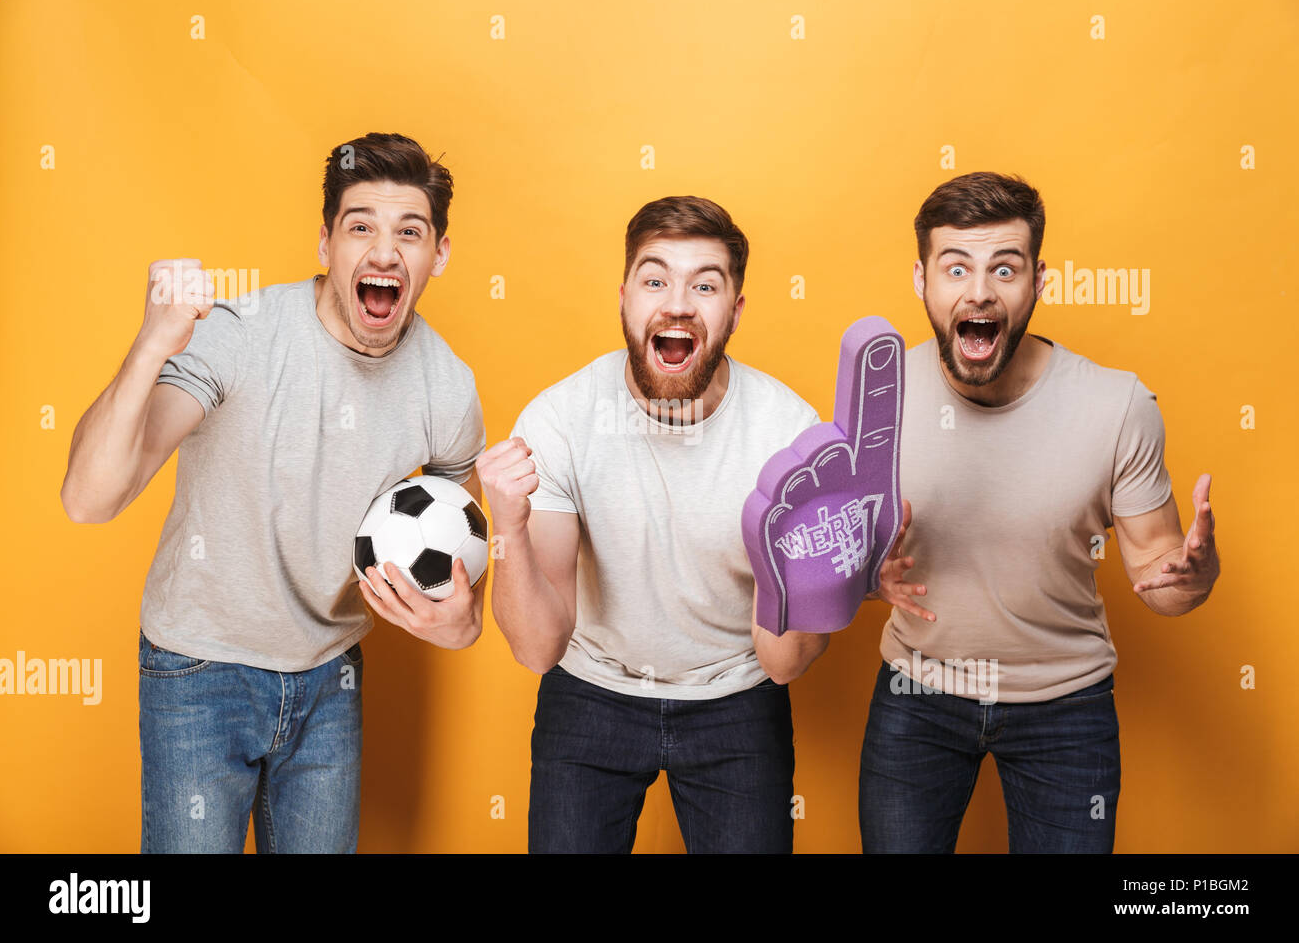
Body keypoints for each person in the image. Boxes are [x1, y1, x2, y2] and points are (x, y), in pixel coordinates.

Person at [59, 132, 487, 853]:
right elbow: (88, 499)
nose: (384, 253)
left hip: (330, 677)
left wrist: (461, 622)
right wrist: (151, 344)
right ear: (326, 244)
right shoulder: (239, 337)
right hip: (198, 669)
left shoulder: (446, 386)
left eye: (409, 232)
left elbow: (464, 554)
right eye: (361, 227)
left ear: (438, 254)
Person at [478, 195, 858, 853]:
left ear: (735, 310)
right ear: (625, 299)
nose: (678, 304)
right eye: (656, 280)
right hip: (591, 693)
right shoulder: (561, 420)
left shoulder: (791, 437)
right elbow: (538, 649)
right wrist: (506, 529)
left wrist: (828, 572)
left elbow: (787, 664)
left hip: (737, 698)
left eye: (705, 285)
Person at [858, 171, 1220, 853]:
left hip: (1067, 708)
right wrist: (865, 577)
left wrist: (1191, 578)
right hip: (918, 695)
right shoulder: (881, 395)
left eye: (1005, 267)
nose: (979, 291)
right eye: (955, 267)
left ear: (1039, 282)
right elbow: (842, 556)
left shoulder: (1117, 407)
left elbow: (1162, 577)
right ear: (921, 280)